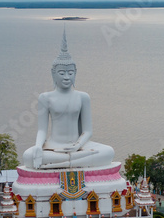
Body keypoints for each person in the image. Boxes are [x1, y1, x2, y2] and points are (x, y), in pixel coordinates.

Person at [21, 34, 115, 170]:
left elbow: (88, 131)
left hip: (78, 146)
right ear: (53, 74)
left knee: (108, 152)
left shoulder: (83, 97)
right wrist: (37, 147)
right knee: (28, 157)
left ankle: (65, 163)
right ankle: (70, 162)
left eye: (70, 73)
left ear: (75, 73)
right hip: (53, 146)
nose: (66, 77)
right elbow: (42, 129)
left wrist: (77, 145)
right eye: (61, 73)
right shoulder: (45, 98)